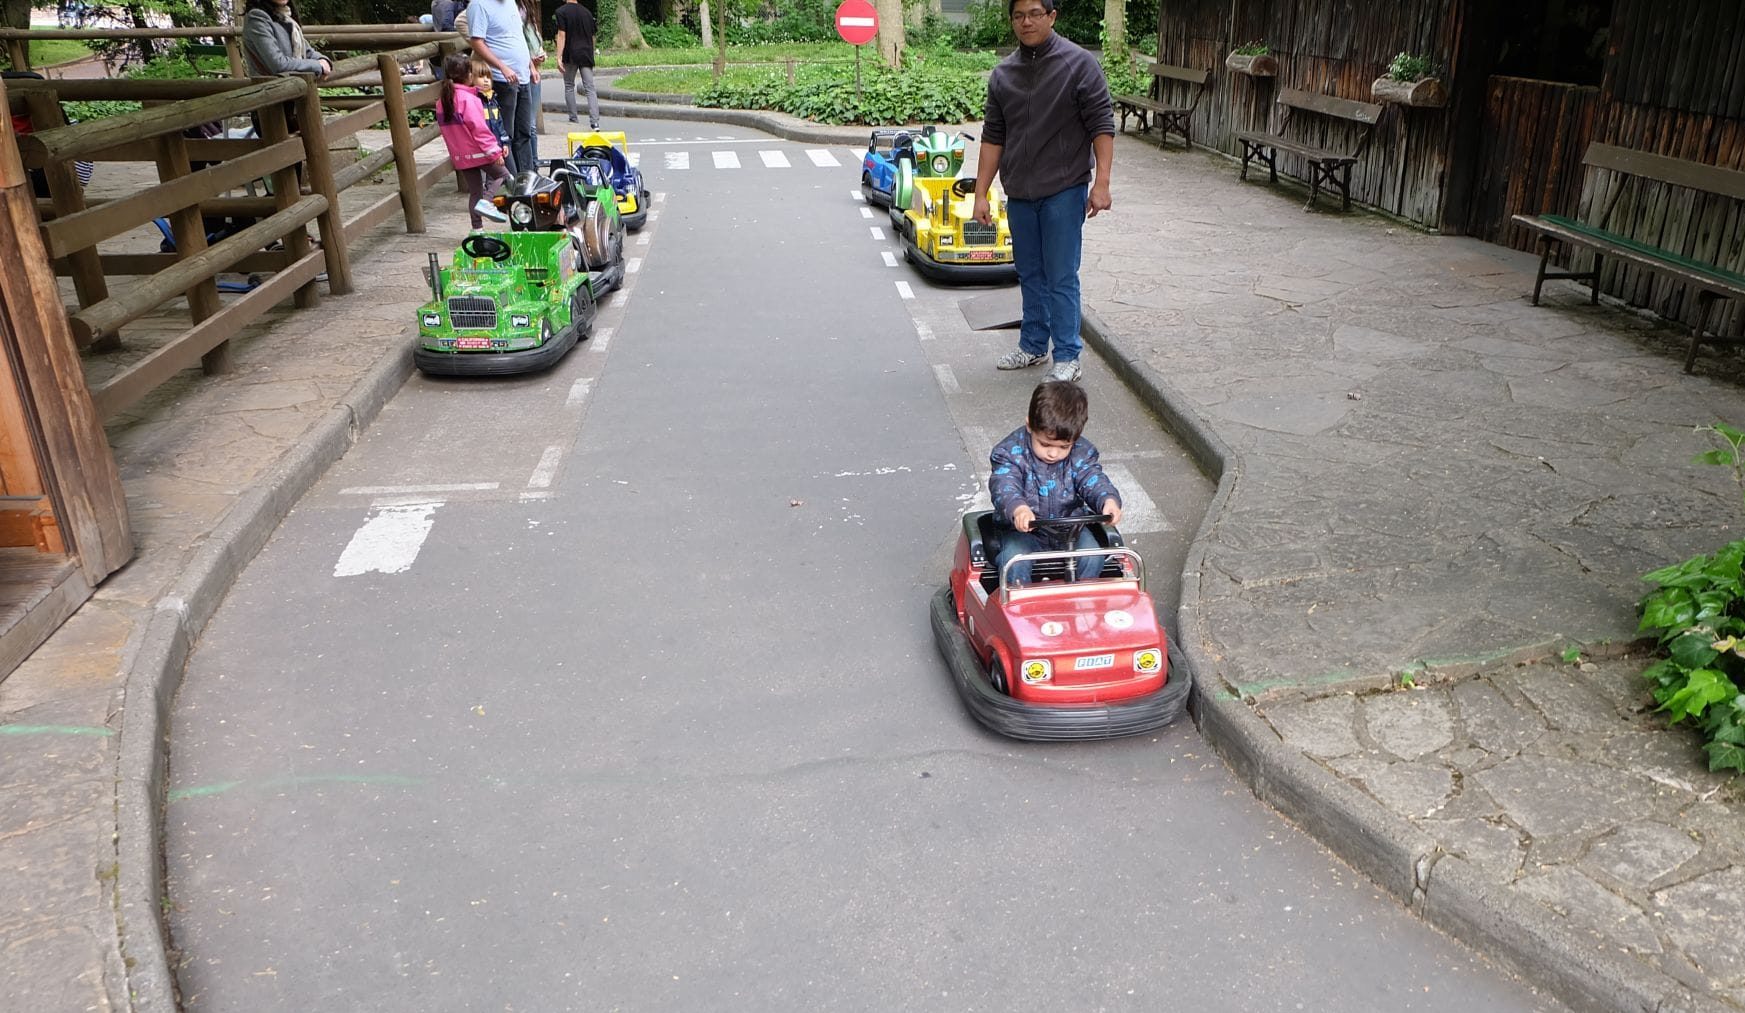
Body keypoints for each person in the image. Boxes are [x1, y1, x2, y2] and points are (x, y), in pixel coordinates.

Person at [972, 0, 1113, 385]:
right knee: (1029, 271)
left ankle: (1067, 355)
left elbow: (1102, 124)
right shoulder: (1003, 75)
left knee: (1061, 275)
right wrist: (981, 193)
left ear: (1052, 16)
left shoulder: (1079, 64)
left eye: (1035, 13)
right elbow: (993, 137)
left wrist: (1101, 184)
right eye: (1018, 15)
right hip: (1019, 191)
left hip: (1063, 190)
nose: (1026, 21)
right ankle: (1034, 345)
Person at [988, 380, 1123, 586]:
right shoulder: (1009, 453)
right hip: (1023, 532)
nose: (1053, 453)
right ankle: (1020, 608)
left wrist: (1108, 501)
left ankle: (1082, 603)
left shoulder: (1081, 453)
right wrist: (1019, 509)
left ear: (1074, 439)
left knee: (1093, 556)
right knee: (1014, 559)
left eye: (1063, 447)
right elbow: (1004, 484)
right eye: (1045, 444)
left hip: (1071, 530)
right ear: (1029, 426)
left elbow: (1093, 479)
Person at [435, 52, 512, 228]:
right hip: (478, 152)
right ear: (468, 75)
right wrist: (495, 152)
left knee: (474, 192)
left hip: (461, 156)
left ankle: (477, 229)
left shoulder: (442, 101)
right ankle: (487, 202)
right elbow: (480, 130)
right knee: (504, 175)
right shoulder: (469, 99)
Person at [465, 0, 535, 174]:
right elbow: (477, 42)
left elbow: (518, 35)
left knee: (524, 131)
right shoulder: (479, 5)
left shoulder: (511, 2)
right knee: (506, 135)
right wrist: (501, 66)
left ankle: (528, 177)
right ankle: (511, 180)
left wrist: (531, 65)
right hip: (501, 79)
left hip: (522, 76)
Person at [240, 0, 332, 79]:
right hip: (272, 94)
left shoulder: (286, 16)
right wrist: (317, 65)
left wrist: (323, 60)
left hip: (294, 89)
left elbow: (307, 51)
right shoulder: (257, 17)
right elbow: (278, 64)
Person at [553, 0, 598, 128]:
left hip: (570, 53)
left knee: (569, 86)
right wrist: (591, 51)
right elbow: (592, 36)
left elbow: (562, 35)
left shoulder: (561, 11)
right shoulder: (587, 13)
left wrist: (559, 57)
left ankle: (573, 119)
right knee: (590, 87)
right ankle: (595, 122)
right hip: (586, 53)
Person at [519, 0, 546, 164]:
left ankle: (534, 163)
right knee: (528, 125)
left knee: (532, 124)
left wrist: (541, 52)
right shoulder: (514, 9)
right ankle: (531, 164)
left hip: (534, 67)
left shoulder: (527, 7)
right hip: (524, 70)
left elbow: (534, 36)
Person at [471, 56, 512, 155]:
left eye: (488, 77)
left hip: (496, 147)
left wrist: (504, 143)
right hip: (483, 149)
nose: (486, 80)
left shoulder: (493, 101)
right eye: (481, 77)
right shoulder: (475, 101)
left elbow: (499, 124)